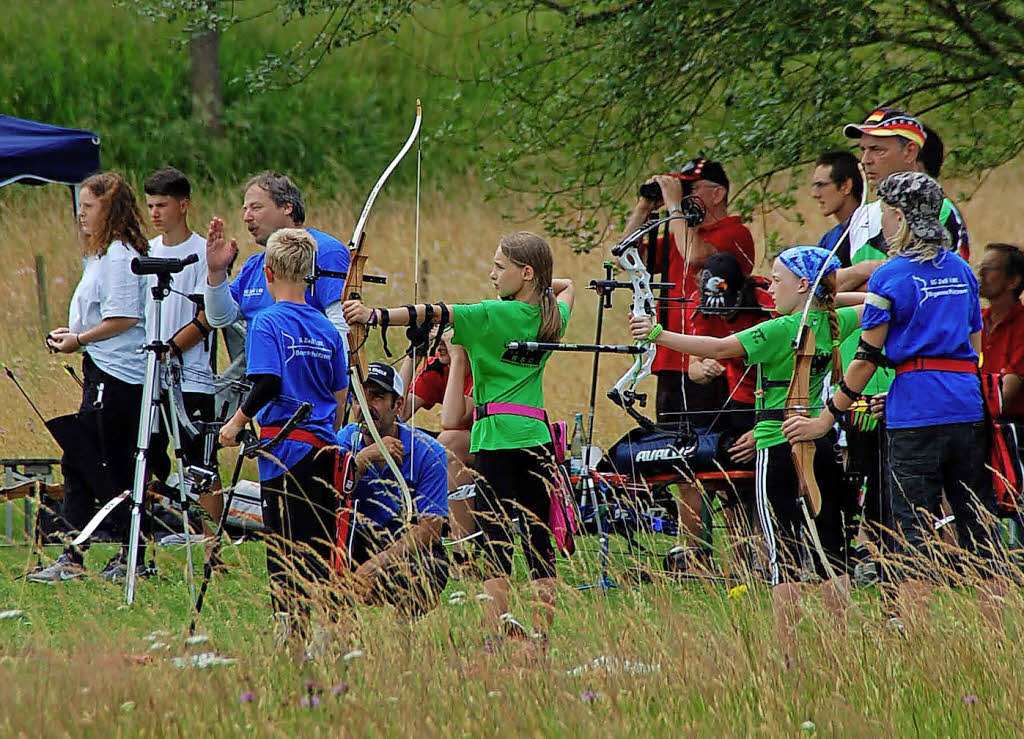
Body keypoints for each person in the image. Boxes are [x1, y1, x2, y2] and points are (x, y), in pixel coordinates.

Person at [783, 172, 1004, 630]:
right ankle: (998, 632)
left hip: (916, 415)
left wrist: (826, 419)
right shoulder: (961, 270)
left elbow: (865, 358)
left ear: (900, 217)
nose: (881, 220)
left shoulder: (891, 274)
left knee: (910, 529)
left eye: (885, 211)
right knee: (977, 524)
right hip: (965, 405)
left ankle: (915, 631)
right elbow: (975, 344)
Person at [630, 245, 864, 663]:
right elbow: (874, 302)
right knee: (833, 551)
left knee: (784, 557)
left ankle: (789, 658)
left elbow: (719, 349)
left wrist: (655, 334)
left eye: (777, 279)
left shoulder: (778, 331)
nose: (770, 288)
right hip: (822, 443)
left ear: (804, 285)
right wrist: (826, 300)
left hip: (777, 447)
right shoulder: (833, 322)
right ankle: (841, 653)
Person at [344, 231, 574, 646]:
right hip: (537, 437)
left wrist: (372, 317)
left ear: (525, 272)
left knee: (495, 544)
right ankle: (541, 638)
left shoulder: (489, 315)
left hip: (496, 441)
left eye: (499, 267)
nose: (491, 274)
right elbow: (566, 287)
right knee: (540, 544)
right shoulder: (551, 316)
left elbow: (429, 313)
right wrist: (535, 287)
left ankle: (494, 632)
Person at [218, 229, 348, 642]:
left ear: (268, 272)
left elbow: (267, 384)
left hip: (283, 454)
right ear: (311, 274)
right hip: (325, 452)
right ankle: (328, 637)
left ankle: (290, 637)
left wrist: (235, 423)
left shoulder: (267, 322)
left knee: (284, 550)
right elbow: (340, 395)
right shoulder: (327, 328)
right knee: (320, 547)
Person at [31, 173, 150, 583]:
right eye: (79, 206)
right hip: (100, 366)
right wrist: (73, 337)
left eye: (89, 207)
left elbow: (125, 318)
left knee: (99, 462)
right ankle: (80, 551)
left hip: (119, 375)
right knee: (81, 459)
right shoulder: (100, 256)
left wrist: (79, 338)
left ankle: (115, 551)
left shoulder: (119, 256)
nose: (81, 214)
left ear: (110, 209)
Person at [622, 158, 756, 424]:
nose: (685, 196)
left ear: (718, 193)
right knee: (670, 441)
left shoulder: (735, 232)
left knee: (708, 441)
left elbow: (694, 256)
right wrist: (644, 207)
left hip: (713, 359)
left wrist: (674, 205)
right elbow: (625, 254)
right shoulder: (679, 233)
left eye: (691, 189)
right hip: (670, 354)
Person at [202, 171, 351, 385]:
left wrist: (334, 387)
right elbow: (219, 317)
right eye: (245, 209)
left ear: (287, 207)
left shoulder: (323, 251)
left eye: (256, 207)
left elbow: (342, 325)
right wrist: (216, 272)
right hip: (265, 397)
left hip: (313, 393)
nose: (247, 217)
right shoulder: (256, 265)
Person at [142, 167, 223, 542]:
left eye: (162, 205)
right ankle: (168, 533)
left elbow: (209, 316)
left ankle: (211, 544)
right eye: (151, 205)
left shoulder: (201, 253)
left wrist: (172, 348)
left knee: (200, 461)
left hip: (191, 376)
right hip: (151, 376)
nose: (155, 213)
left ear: (183, 205)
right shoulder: (147, 252)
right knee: (151, 458)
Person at [335, 363, 450, 619]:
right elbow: (325, 498)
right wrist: (361, 461)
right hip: (355, 538)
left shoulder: (427, 452)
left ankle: (401, 633)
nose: (366, 406)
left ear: (398, 405)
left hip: (400, 543)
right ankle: (338, 635)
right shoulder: (343, 442)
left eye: (376, 396)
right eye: (360, 397)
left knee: (431, 568)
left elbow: (431, 526)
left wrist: (377, 565)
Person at [398, 328, 478, 560]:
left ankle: (462, 550)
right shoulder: (438, 366)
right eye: (437, 339)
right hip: (459, 445)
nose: (440, 345)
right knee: (395, 437)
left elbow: (453, 420)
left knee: (448, 441)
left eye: (447, 340)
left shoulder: (480, 369)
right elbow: (397, 413)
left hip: (486, 443)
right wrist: (415, 355)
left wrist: (457, 361)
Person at [979, 243, 1024, 421]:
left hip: (1012, 428)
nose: (981, 274)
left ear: (1013, 281)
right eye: (981, 267)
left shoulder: (1021, 325)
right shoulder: (975, 321)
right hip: (977, 422)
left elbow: (1005, 394)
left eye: (989, 268)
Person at [812, 150, 864, 267]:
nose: (815, 194)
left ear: (846, 186)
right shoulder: (829, 239)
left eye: (821, 185)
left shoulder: (873, 230)